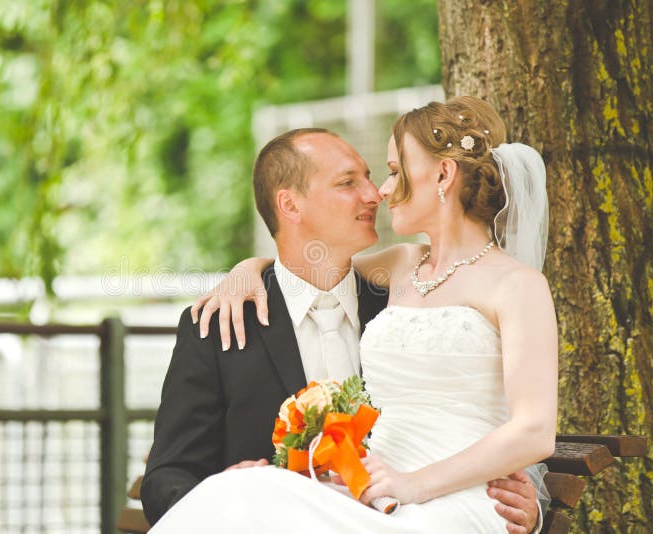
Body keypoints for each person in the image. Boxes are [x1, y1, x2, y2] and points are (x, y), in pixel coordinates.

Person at [142, 111, 548, 532]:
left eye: (383, 174)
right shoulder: (222, 324)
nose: (377, 194)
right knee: (247, 491)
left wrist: (525, 510)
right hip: (290, 514)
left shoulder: (396, 294)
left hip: (416, 509)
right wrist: (248, 269)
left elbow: (523, 428)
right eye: (348, 182)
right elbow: (165, 478)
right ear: (290, 205)